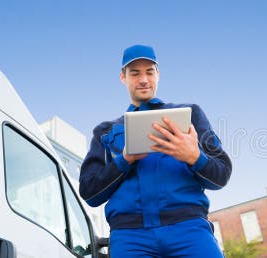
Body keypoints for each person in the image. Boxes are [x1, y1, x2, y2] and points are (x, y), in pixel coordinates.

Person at [79, 44, 232, 257]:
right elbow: (89, 192)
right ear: (123, 77)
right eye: (135, 73)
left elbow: (222, 174)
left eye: (149, 72)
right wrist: (125, 159)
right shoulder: (105, 132)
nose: (143, 79)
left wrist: (194, 157)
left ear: (158, 75)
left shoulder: (190, 116)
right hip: (130, 237)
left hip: (189, 230)